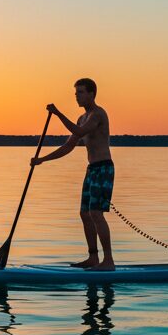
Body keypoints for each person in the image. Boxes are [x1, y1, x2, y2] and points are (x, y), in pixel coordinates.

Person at [32, 78, 115, 270]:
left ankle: (108, 261)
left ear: (92, 94)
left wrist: (58, 114)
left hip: (104, 168)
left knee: (96, 213)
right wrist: (42, 159)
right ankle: (93, 258)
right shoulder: (82, 118)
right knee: (85, 214)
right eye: (76, 92)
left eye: (81, 92)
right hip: (92, 169)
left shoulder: (97, 114)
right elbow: (68, 146)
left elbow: (79, 131)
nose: (77, 96)